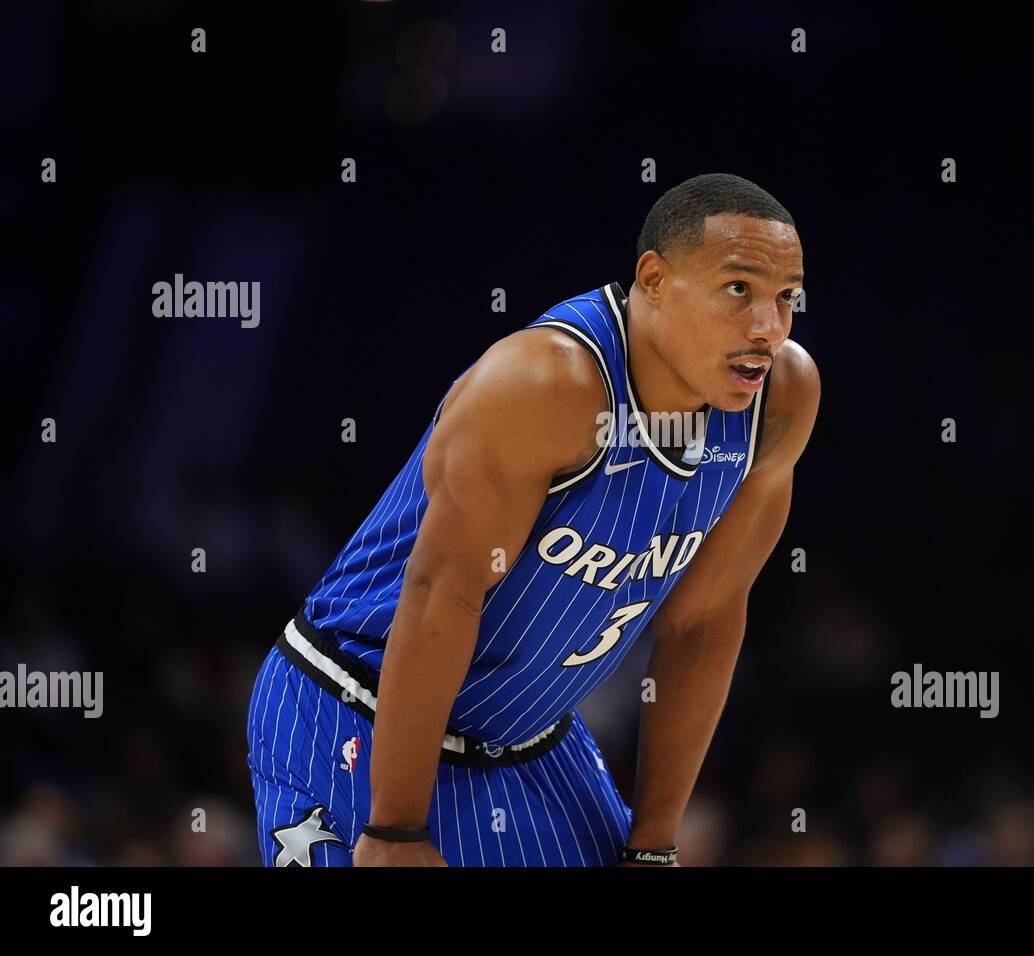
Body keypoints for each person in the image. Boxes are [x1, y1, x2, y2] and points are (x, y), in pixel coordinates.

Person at [246, 172, 819, 866]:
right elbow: (442, 595)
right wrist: (395, 827)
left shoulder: (781, 398)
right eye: (739, 290)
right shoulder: (545, 385)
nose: (769, 327)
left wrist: (654, 844)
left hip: (529, 738)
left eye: (786, 298)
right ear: (655, 279)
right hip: (353, 707)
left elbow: (703, 622)